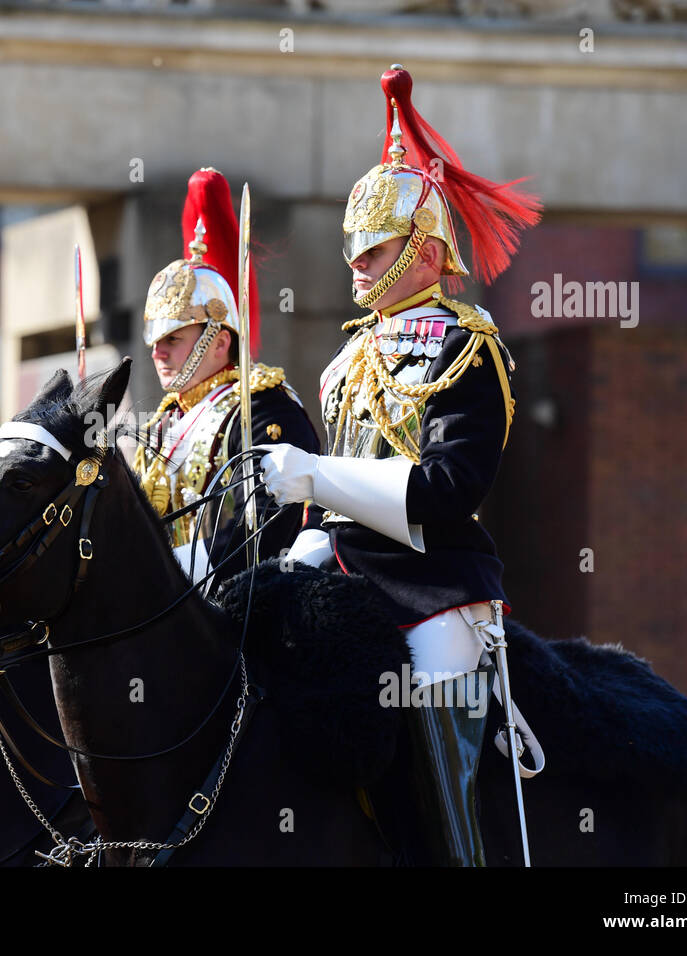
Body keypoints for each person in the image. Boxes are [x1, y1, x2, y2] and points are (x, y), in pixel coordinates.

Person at [258, 65, 542, 865]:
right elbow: (335, 489)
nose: (354, 263)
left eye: (372, 247)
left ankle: (459, 854)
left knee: (430, 685)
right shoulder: (346, 359)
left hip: (434, 583)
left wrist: (316, 478)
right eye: (354, 248)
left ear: (424, 250)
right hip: (343, 569)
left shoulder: (466, 343)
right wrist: (308, 537)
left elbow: (454, 489)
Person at [133, 168, 320, 588]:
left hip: (243, 602)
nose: (157, 351)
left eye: (173, 339)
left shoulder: (261, 407)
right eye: (155, 340)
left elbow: (265, 527)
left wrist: (165, 579)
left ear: (219, 343)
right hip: (166, 607)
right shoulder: (161, 423)